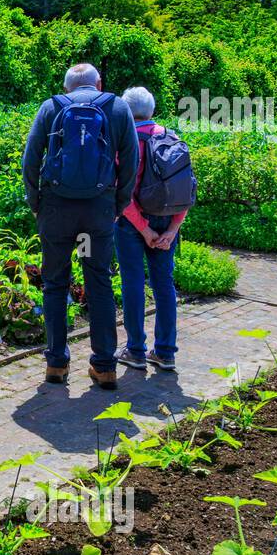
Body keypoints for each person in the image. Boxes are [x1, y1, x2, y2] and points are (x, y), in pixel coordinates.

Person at [22, 64, 138, 390]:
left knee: (56, 283)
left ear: (67, 87)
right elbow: (131, 161)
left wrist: (36, 203)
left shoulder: (52, 107)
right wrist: (117, 205)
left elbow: (30, 159)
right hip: (96, 213)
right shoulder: (117, 108)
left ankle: (56, 364)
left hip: (57, 212)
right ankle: (104, 367)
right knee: (97, 282)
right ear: (99, 83)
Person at [114, 86, 190, 372]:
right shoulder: (172, 137)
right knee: (164, 285)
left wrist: (144, 229)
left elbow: (121, 193)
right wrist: (172, 229)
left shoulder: (125, 141)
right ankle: (166, 352)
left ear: (125, 112)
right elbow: (184, 188)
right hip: (167, 221)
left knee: (133, 283)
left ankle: (135, 350)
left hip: (132, 223)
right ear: (152, 110)